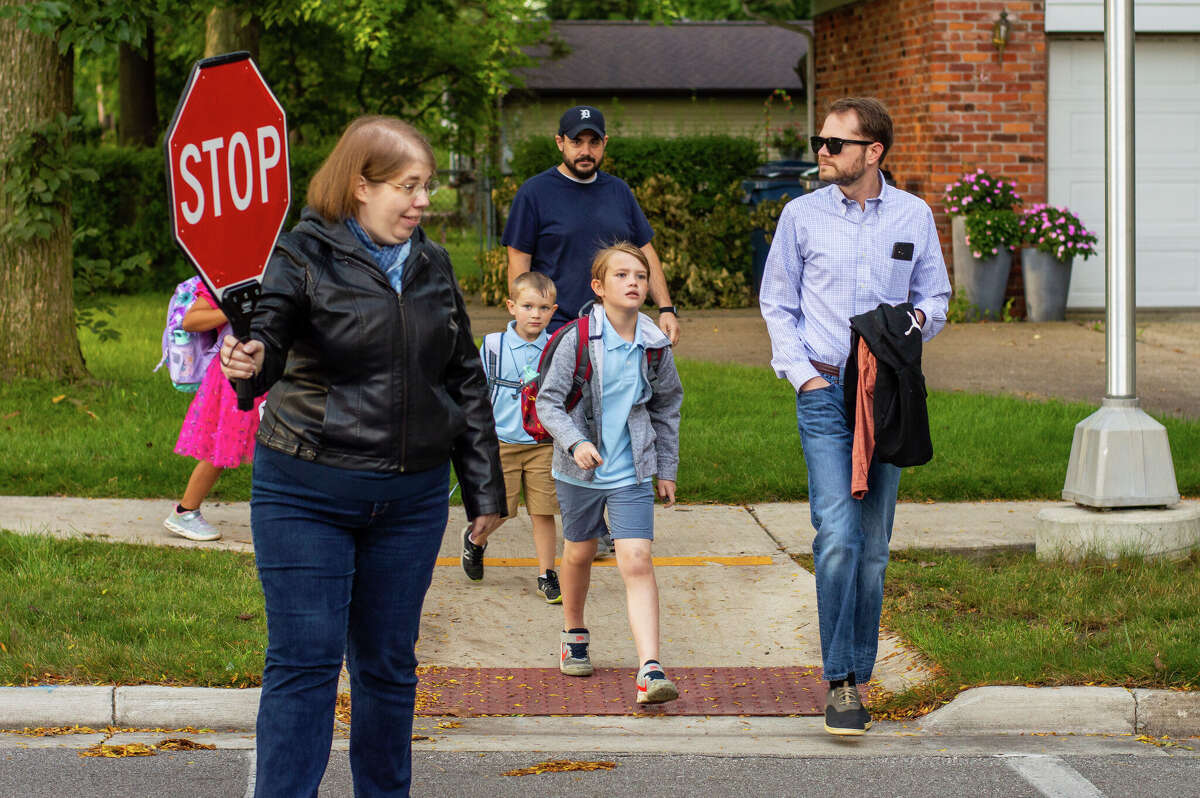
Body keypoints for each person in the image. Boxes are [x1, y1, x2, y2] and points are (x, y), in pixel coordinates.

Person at [218, 115, 504, 797]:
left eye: (427, 186)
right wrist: (250, 360)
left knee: (387, 668)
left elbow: (461, 373)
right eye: (408, 186)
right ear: (358, 187)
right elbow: (270, 336)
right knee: (305, 663)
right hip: (306, 493)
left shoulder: (432, 263)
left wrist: (484, 490)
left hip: (409, 503)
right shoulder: (301, 254)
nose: (422, 201)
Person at [758, 97, 951, 736]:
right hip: (824, 391)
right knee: (837, 535)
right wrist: (804, 375)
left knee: (872, 550)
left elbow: (937, 297)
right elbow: (776, 301)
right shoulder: (800, 215)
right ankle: (841, 681)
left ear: (873, 153)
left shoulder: (913, 215)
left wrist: (910, 325)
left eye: (835, 144)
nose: (822, 152)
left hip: (886, 396)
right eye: (821, 141)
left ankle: (856, 675)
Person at [535, 242, 684, 705]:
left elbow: (667, 406)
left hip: (632, 467)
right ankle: (574, 631)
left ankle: (650, 669)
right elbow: (547, 401)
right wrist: (576, 442)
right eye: (622, 275)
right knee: (578, 553)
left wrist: (665, 467)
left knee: (636, 558)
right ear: (599, 288)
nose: (634, 282)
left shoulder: (655, 345)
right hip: (578, 471)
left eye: (640, 275)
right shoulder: (576, 338)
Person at [502, 105, 680, 345]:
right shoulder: (533, 193)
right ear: (559, 142)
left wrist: (666, 309)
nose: (586, 151)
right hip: (555, 330)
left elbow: (645, 252)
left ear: (605, 142)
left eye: (594, 142)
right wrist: (527, 330)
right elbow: (518, 263)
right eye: (576, 142)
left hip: (615, 331)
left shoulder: (619, 191)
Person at [463, 271, 563, 603]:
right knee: (498, 511)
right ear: (511, 307)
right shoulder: (494, 345)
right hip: (501, 442)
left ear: (553, 310)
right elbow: (476, 390)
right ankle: (475, 542)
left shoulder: (556, 346)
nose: (536, 314)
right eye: (528, 306)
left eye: (544, 308)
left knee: (543, 511)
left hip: (541, 443)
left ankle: (546, 575)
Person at [165, 282, 265, 541]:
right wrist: (235, 311)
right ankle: (185, 511)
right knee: (223, 445)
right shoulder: (230, 279)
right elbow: (192, 320)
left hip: (271, 371)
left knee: (275, 444)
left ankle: (282, 514)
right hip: (234, 374)